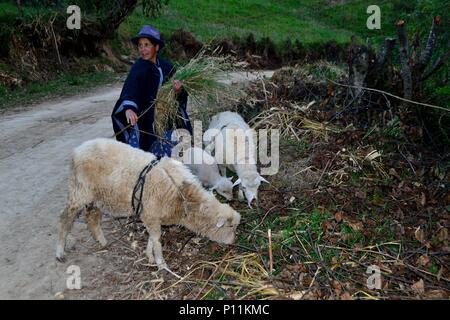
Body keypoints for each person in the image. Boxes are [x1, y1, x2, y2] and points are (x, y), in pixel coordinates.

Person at [111, 25, 192, 156]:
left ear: (157, 47)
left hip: (165, 118)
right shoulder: (138, 68)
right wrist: (129, 108)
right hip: (146, 119)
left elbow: (181, 95)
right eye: (140, 45)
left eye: (147, 45)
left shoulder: (168, 67)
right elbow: (131, 88)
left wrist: (178, 90)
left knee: (174, 150)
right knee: (144, 153)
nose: (143, 49)